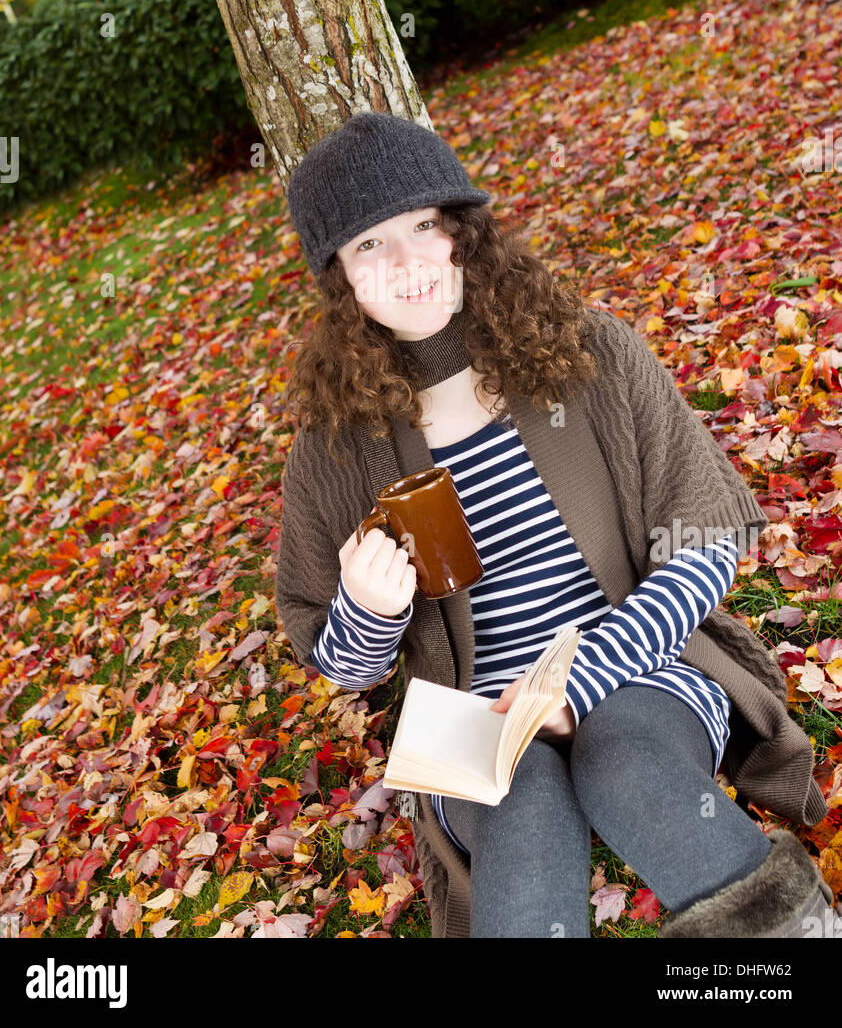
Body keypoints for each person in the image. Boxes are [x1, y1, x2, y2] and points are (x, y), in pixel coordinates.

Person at [275, 110, 836, 939]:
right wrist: (368, 608)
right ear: (339, 277)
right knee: (522, 804)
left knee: (626, 759)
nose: (408, 264)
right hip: (474, 722)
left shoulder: (591, 354)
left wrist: (581, 680)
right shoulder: (333, 450)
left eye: (425, 225)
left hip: (640, 662)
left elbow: (709, 536)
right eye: (369, 246)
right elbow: (343, 665)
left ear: (462, 231)